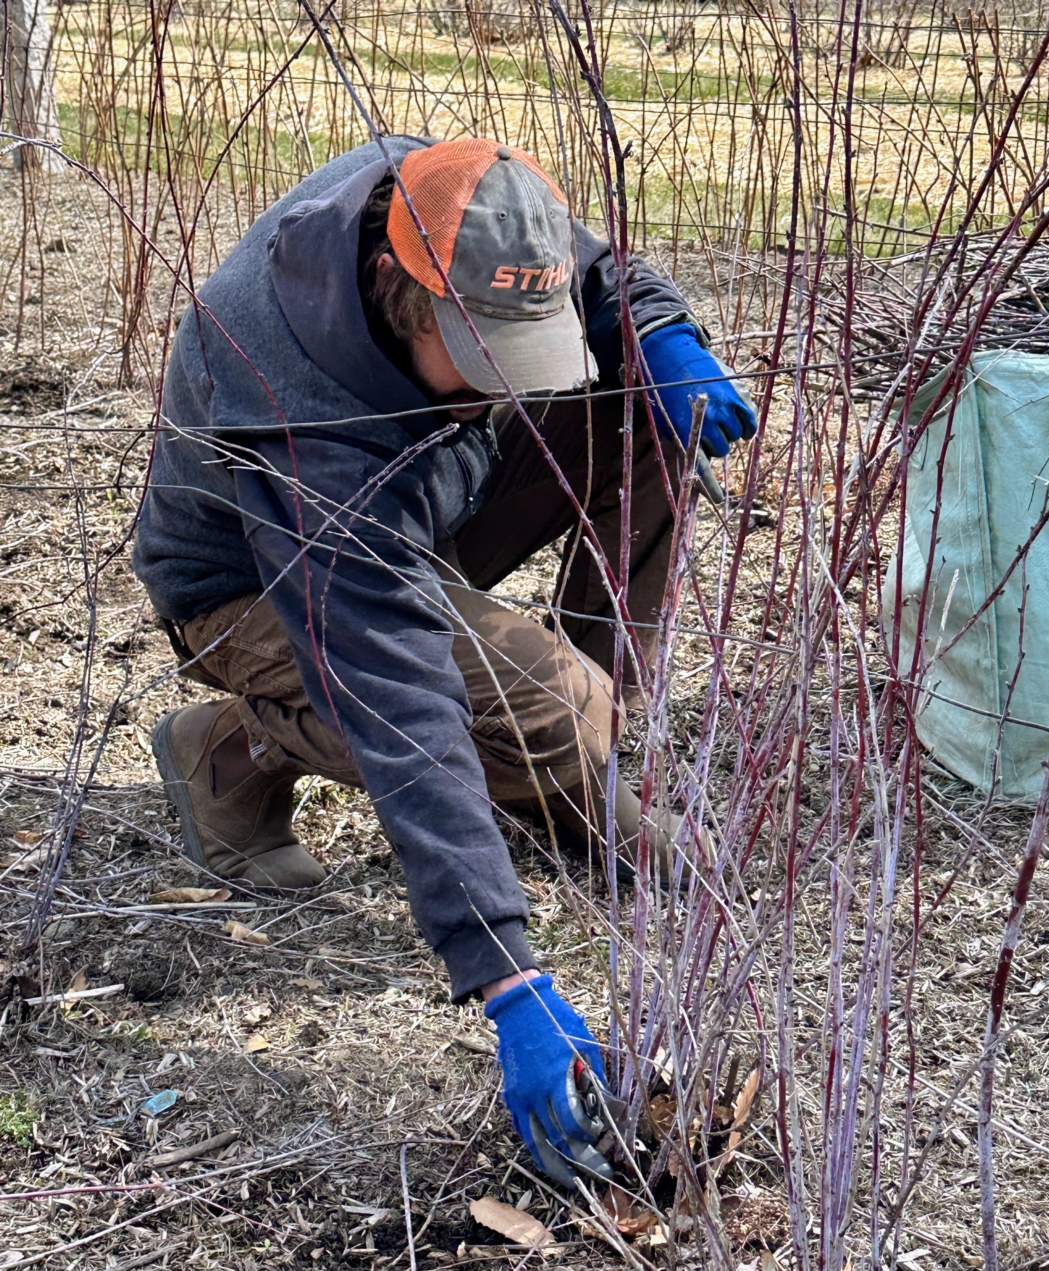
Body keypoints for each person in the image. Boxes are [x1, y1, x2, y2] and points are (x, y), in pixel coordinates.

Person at [133, 136, 756, 1185]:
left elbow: (601, 276)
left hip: (425, 494)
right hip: (253, 579)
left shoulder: (466, 203)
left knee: (645, 407)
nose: (500, 389)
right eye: (481, 360)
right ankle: (232, 751)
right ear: (403, 298)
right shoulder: (291, 388)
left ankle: (571, 773)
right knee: (539, 698)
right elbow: (396, 690)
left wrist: (665, 336)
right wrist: (505, 973)